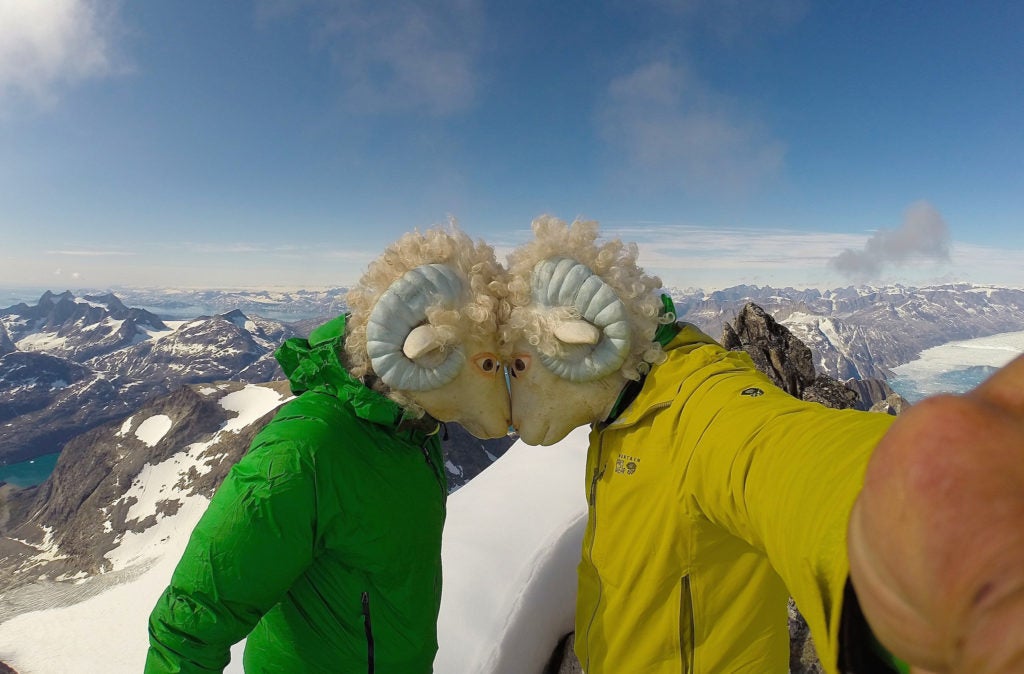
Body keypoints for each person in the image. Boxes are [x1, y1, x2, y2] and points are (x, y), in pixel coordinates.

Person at [502, 215, 1024, 674]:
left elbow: (775, 451)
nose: (511, 404)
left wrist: (905, 523)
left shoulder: (702, 408)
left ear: (577, 343)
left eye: (520, 368)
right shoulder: (618, 410)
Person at [145, 227, 510, 673]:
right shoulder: (306, 451)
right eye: (486, 365)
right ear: (428, 351)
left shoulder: (416, 430)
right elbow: (191, 622)